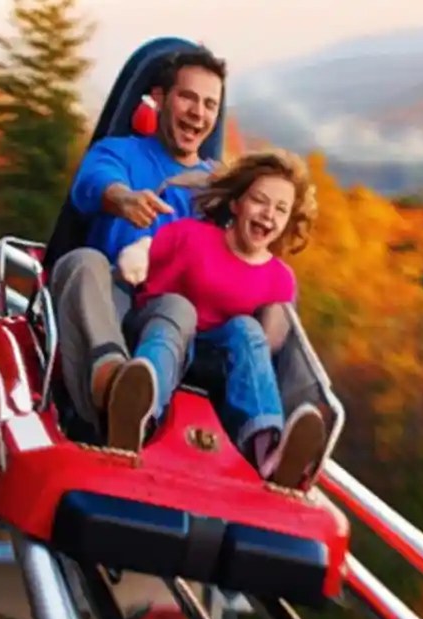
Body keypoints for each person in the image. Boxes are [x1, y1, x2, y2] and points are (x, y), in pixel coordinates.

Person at [49, 46, 327, 451]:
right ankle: (111, 384)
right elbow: (94, 182)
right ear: (160, 100)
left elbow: (249, 246)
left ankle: (279, 428)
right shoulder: (120, 152)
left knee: (182, 308)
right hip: (109, 295)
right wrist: (124, 199)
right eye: (188, 98)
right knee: (84, 261)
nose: (199, 112)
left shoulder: (220, 185)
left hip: (168, 315)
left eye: (210, 104)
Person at [107, 150, 327, 491]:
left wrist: (270, 337)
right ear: (237, 204)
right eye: (260, 201)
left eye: (280, 210)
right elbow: (146, 248)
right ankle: (137, 414)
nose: (268, 215)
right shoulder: (193, 236)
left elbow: (266, 345)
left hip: (218, 362)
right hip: (164, 333)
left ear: (288, 220)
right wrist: (135, 256)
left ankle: (268, 448)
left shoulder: (279, 279)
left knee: (246, 329)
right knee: (178, 311)